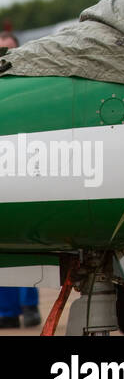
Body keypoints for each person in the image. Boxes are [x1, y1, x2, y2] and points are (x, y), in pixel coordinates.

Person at [0, 30, 41, 329]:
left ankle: (29, 306)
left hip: (24, 166)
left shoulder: (32, 86)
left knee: (29, 237)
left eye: (9, 50)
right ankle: (6, 312)